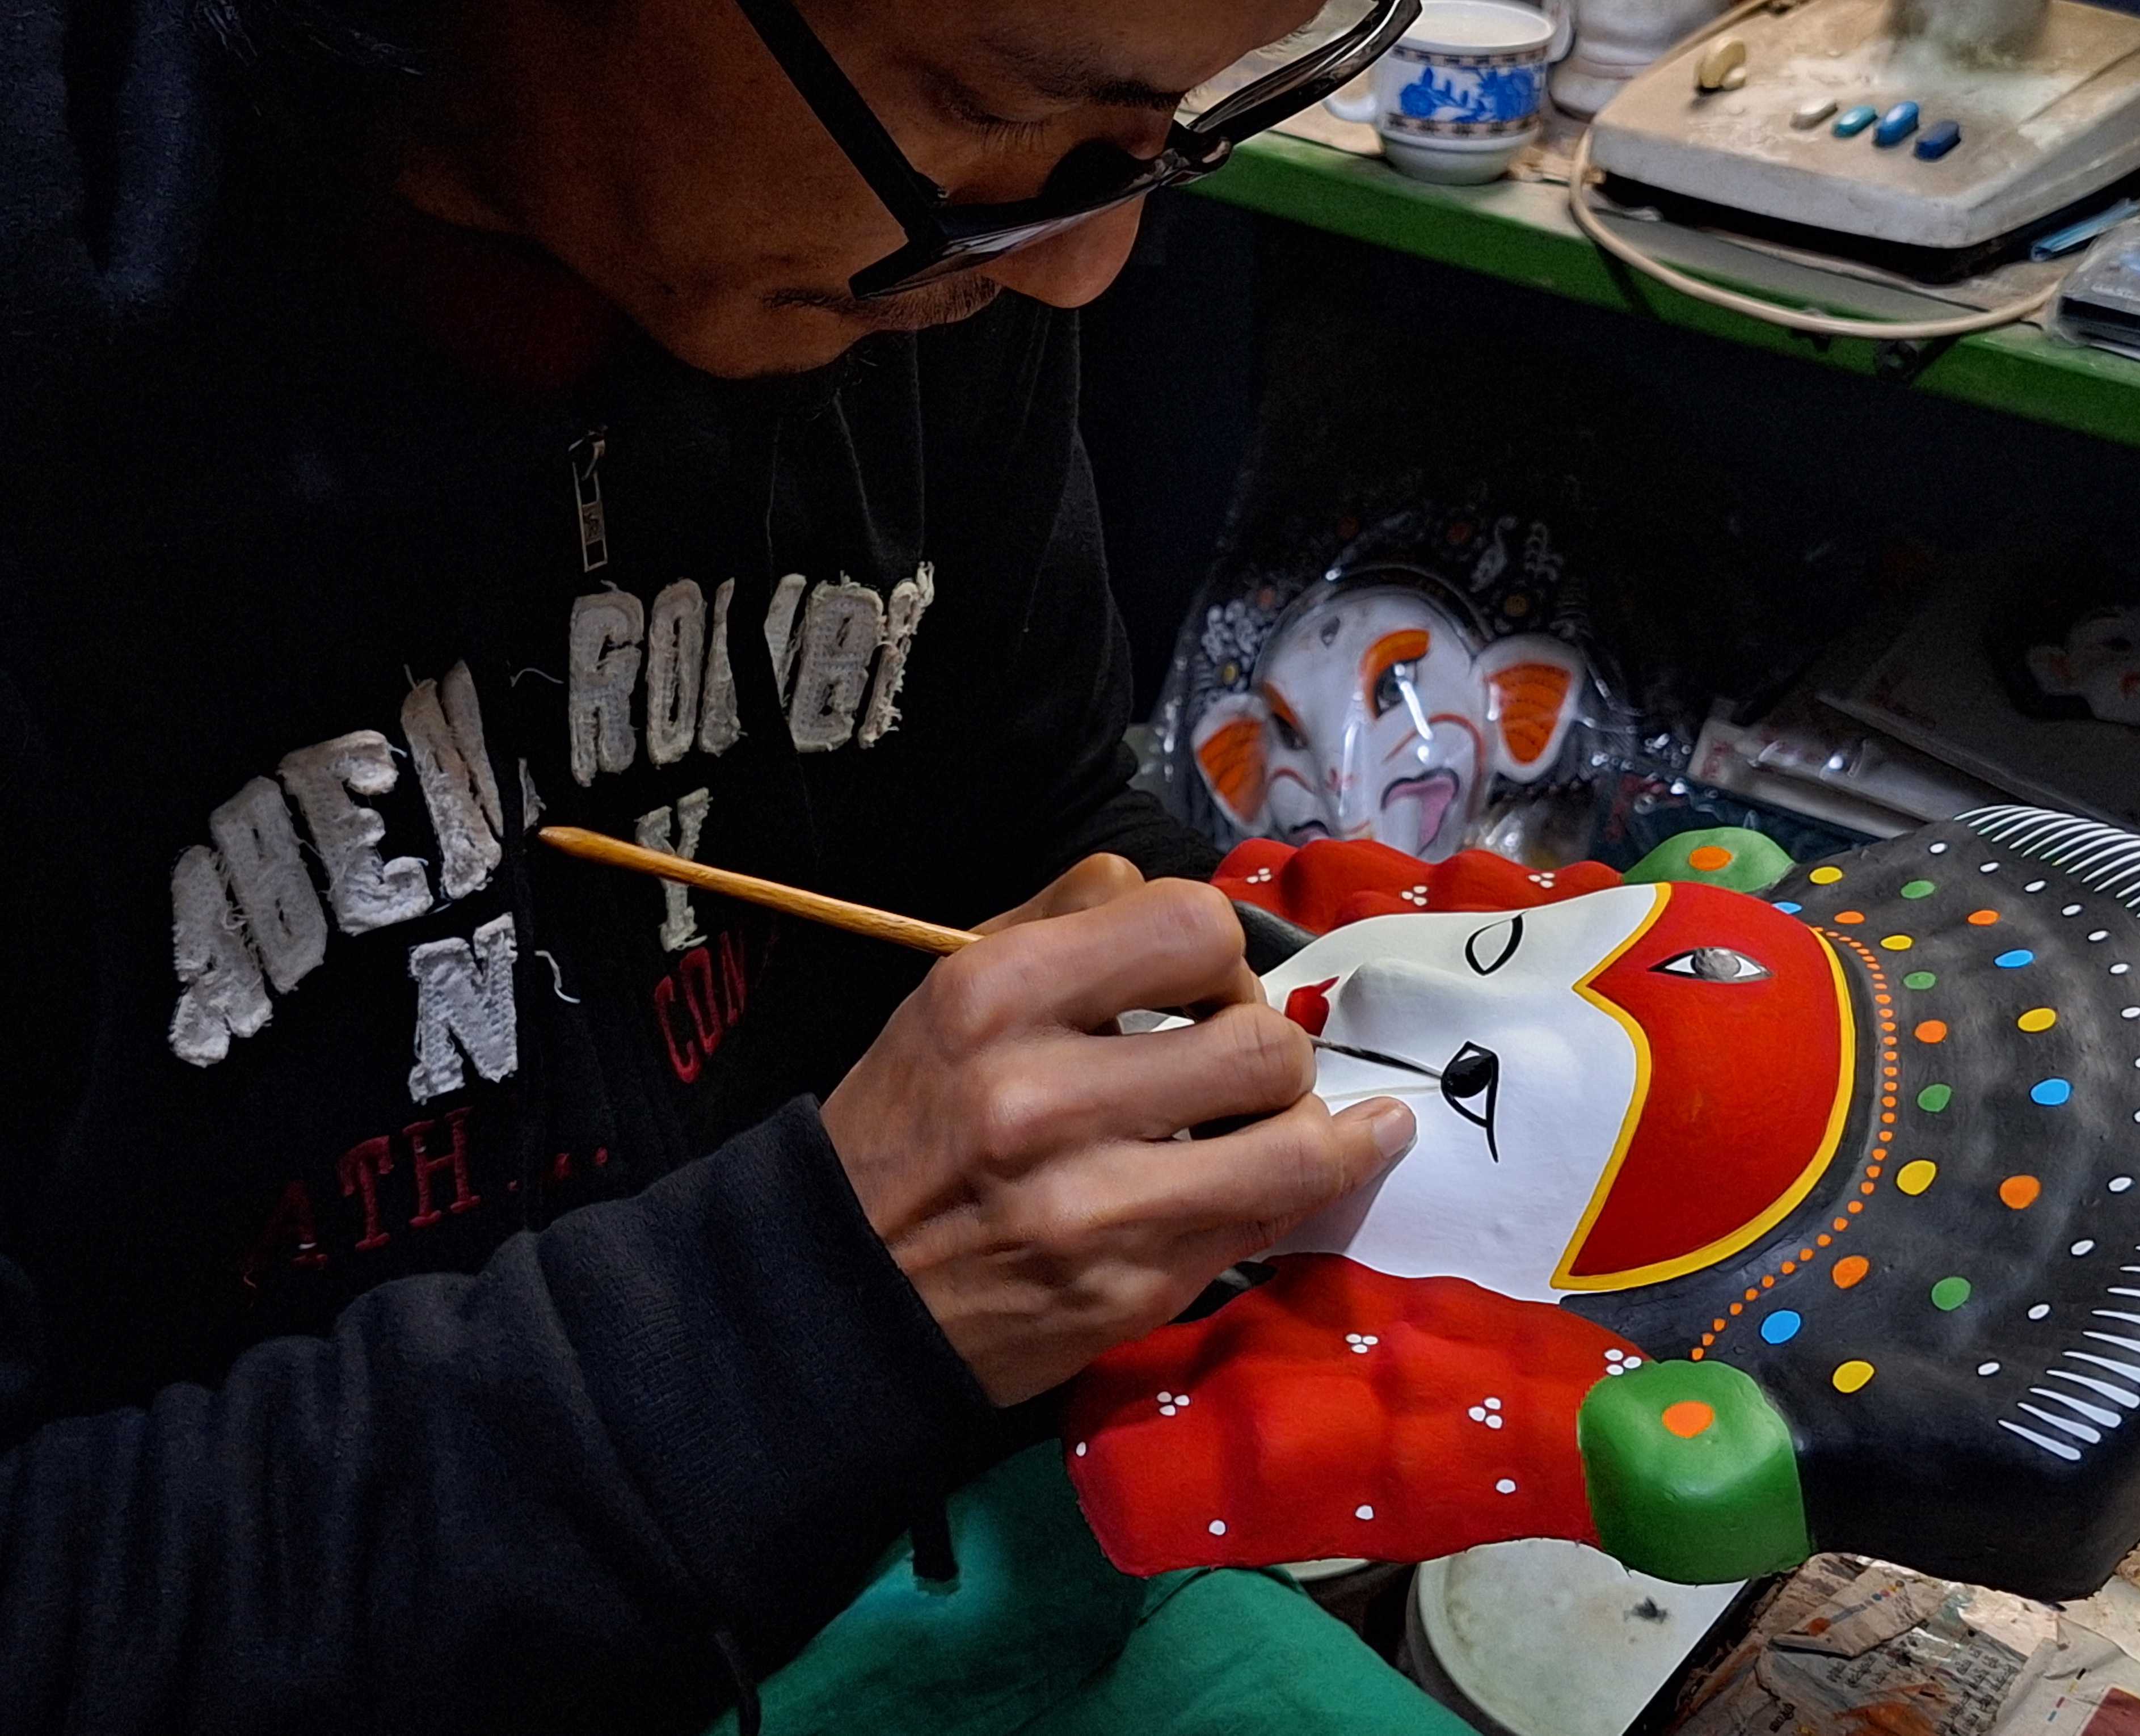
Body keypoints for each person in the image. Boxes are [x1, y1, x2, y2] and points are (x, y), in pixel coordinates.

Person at [0, 0, 1435, 1729]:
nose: (1088, 267)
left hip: (897, 1585)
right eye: (988, 108)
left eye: (1171, 127)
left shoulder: (921, 231)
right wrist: (805, 1316)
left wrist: (1228, 1025)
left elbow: (1023, 826)